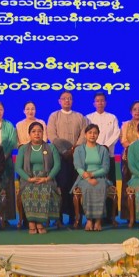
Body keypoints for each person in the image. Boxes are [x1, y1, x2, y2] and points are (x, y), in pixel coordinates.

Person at [46, 91, 88, 223]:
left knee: (75, 186)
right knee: (61, 185)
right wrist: (64, 151)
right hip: (59, 157)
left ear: (72, 101)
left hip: (77, 156)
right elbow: (52, 135)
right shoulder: (54, 116)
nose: (67, 101)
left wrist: (74, 149)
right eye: (64, 99)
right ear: (59, 101)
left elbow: (83, 134)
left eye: (69, 99)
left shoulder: (80, 116)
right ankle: (58, 216)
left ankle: (74, 216)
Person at [15, 122, 61, 234]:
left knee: (44, 189)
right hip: (28, 179)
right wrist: (29, 179)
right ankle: (31, 223)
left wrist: (47, 178)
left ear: (43, 133)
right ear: (29, 134)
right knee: (29, 190)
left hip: (46, 178)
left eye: (39, 131)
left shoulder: (51, 147)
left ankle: (40, 222)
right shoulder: (23, 149)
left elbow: (57, 165)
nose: (37, 134)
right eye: (34, 131)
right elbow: (18, 167)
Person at [85, 92, 121, 222]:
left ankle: (111, 216)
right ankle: (94, 216)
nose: (100, 103)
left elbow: (116, 133)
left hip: (109, 156)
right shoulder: (88, 118)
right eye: (97, 101)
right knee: (95, 186)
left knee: (109, 186)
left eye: (102, 100)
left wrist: (105, 146)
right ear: (94, 103)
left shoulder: (112, 117)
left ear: (105, 103)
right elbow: (87, 136)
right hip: (93, 159)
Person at [72, 124, 110, 231]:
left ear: (98, 135)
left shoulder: (103, 150)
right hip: (83, 178)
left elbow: (105, 168)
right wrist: (88, 178)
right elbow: (78, 167)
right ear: (85, 135)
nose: (92, 135)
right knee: (88, 188)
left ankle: (98, 220)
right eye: (90, 133)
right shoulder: (79, 150)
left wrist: (93, 175)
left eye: (95, 133)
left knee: (100, 187)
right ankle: (89, 220)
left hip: (100, 177)